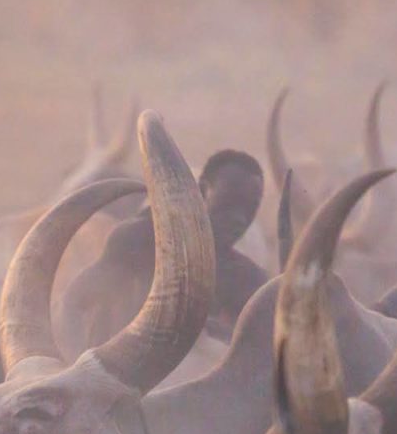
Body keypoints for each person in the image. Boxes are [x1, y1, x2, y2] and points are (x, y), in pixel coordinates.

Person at [55, 149, 269, 358]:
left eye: (250, 208)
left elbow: (256, 351)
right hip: (108, 379)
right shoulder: (140, 239)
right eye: (229, 203)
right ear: (203, 191)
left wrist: (214, 335)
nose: (239, 219)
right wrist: (77, 365)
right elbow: (74, 302)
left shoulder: (245, 278)